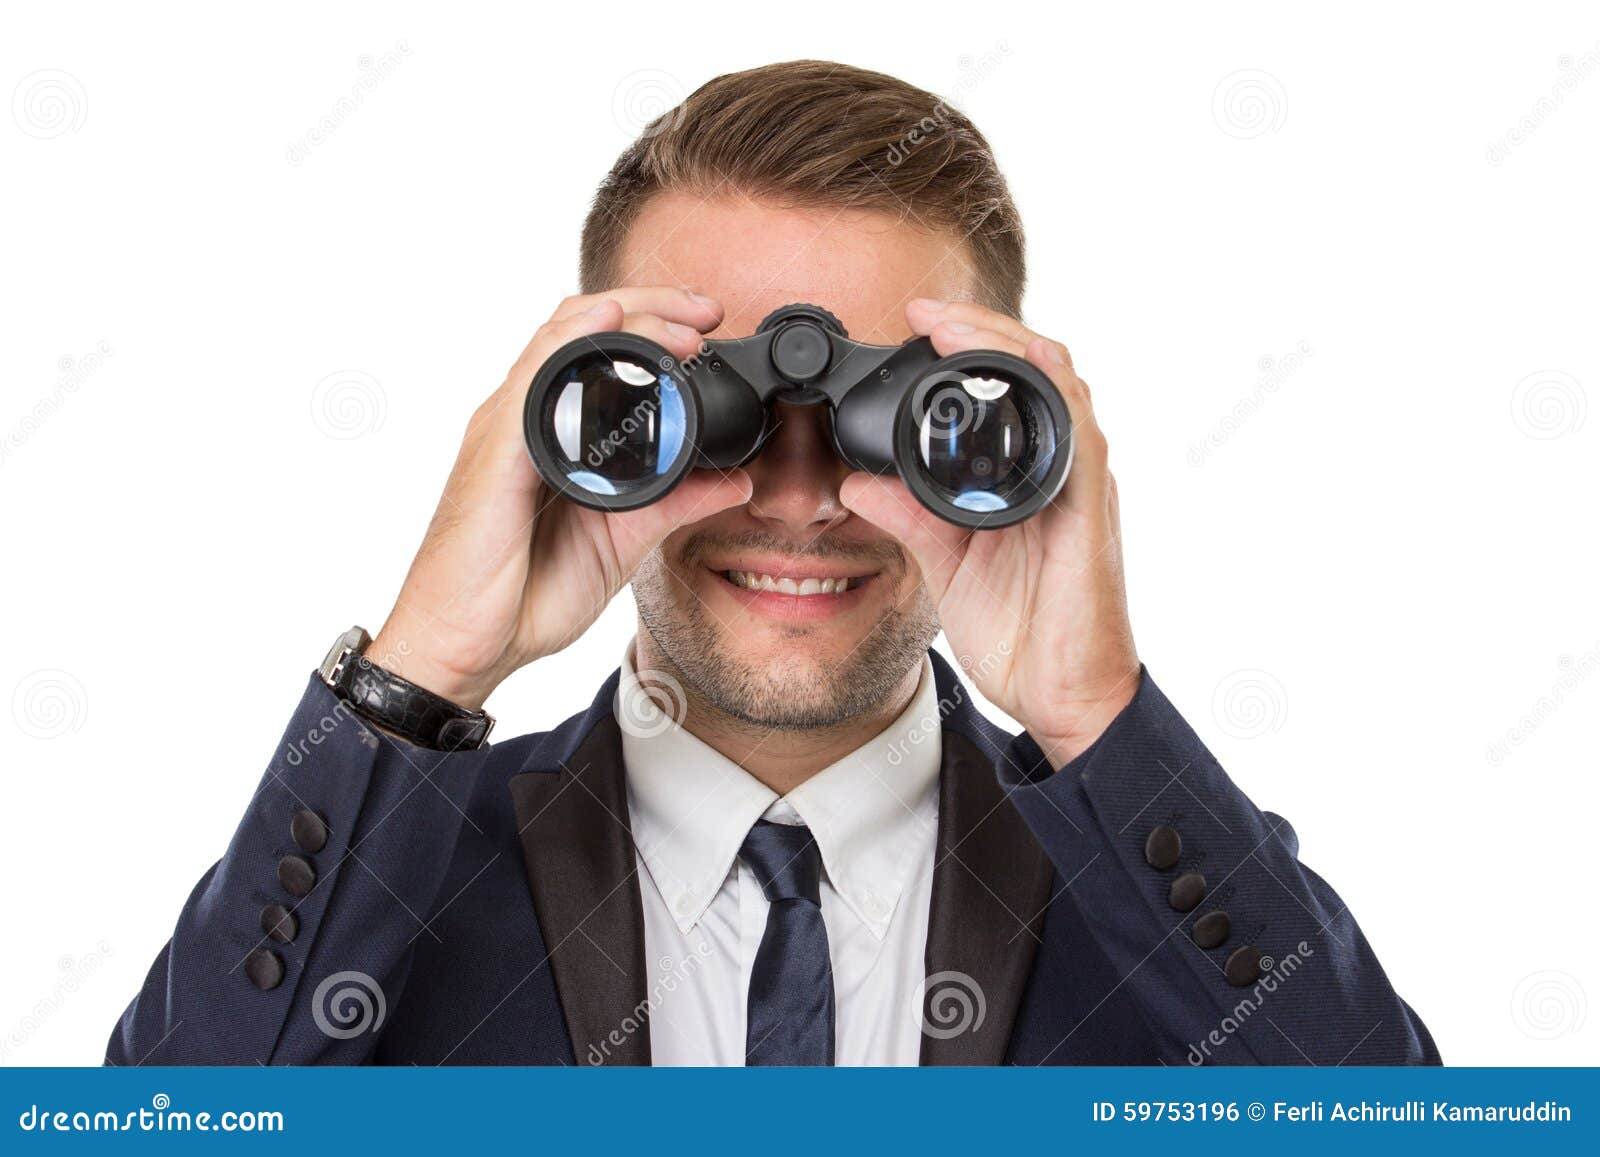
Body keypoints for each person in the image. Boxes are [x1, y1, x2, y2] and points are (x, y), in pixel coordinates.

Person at [108, 60, 1437, 1067]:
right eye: (699, 409)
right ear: (574, 425)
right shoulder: (389, 880)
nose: (798, 498)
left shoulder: (1163, 892)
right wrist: (419, 672)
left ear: (1003, 417)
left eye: (897, 419)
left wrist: (1095, 718)